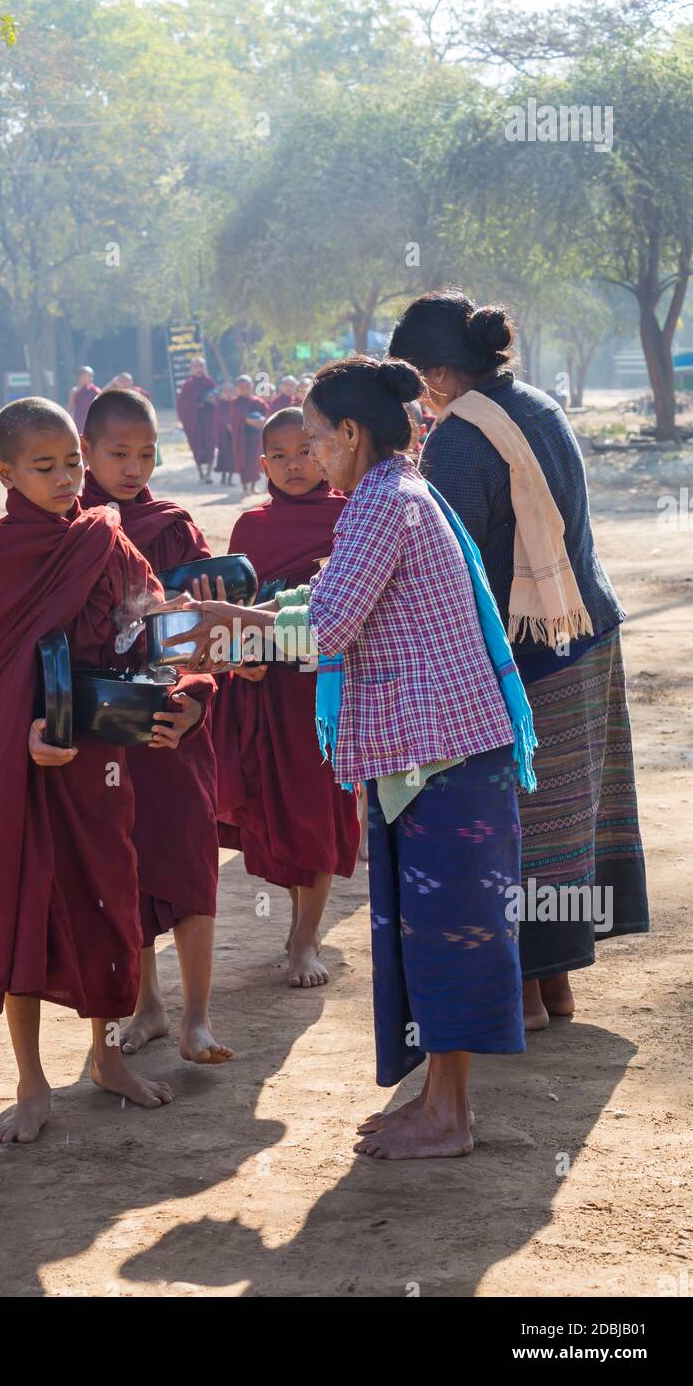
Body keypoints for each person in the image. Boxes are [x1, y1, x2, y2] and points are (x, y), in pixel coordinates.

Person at [157, 356, 536, 1160]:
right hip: (438, 747)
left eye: (320, 436)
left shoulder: (380, 503)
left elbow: (327, 628)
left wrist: (232, 629)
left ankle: (450, 1115)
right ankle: (438, 1102)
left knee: (449, 933)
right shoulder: (391, 492)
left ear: (352, 435)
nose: (314, 451)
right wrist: (240, 616)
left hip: (445, 751)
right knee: (430, 931)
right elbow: (332, 597)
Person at [389, 290, 649, 1031]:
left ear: (437, 373)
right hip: (586, 626)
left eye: (415, 382)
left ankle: (529, 998)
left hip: (526, 649)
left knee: (519, 821)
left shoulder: (462, 441)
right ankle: (558, 988)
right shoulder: (535, 402)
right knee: (570, 813)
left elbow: (450, 565)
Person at [0, 396, 174, 1145]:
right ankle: (31, 1081)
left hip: (97, 762)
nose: (69, 478)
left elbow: (152, 619)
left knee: (106, 900)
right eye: (46, 467)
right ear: (5, 471)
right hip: (22, 775)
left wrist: (189, 688)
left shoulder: (105, 538)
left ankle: (104, 1057)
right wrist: (25, 735)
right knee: (23, 915)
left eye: (74, 461)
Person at [80, 387, 231, 1064]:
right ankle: (149, 1008)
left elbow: (195, 629)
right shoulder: (69, 527)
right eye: (118, 454)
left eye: (146, 454)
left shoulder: (172, 526)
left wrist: (198, 695)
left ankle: (199, 1017)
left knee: (190, 862)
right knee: (124, 869)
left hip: (173, 722)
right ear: (86, 452)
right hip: (104, 728)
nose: (134, 468)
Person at [212, 407, 360, 987]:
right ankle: (296, 926)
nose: (294, 465)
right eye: (280, 456)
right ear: (262, 462)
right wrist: (240, 659)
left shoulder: (349, 516)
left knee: (318, 809)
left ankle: (305, 938)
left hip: (322, 690)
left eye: (305, 451)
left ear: (324, 452)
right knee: (276, 807)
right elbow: (235, 610)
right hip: (264, 690)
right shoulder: (250, 526)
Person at [176, 356, 217, 484]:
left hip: (208, 419)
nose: (199, 369)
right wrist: (195, 404)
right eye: (196, 366)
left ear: (205, 367)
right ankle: (201, 474)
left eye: (201, 366)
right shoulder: (188, 384)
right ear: (191, 369)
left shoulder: (210, 382)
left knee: (210, 446)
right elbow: (182, 403)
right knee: (196, 446)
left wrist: (212, 400)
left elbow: (217, 399)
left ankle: (209, 475)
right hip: (194, 420)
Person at [230, 375, 267, 496]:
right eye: (241, 388)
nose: (244, 390)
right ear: (237, 389)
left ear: (251, 387)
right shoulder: (235, 403)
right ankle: (245, 487)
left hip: (255, 437)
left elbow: (267, 412)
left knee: (254, 461)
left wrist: (262, 421)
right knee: (243, 461)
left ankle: (253, 486)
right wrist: (248, 421)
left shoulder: (257, 401)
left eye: (247, 387)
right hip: (241, 437)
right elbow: (236, 417)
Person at [214, 381, 237, 485]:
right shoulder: (220, 404)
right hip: (223, 435)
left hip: (233, 435)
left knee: (232, 456)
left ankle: (229, 479)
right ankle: (223, 478)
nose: (228, 394)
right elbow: (220, 418)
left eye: (231, 392)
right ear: (222, 393)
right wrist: (228, 425)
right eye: (226, 392)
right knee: (223, 455)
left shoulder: (234, 404)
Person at [67, 366, 100, 435]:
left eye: (89, 375)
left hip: (92, 419)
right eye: (83, 375)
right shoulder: (75, 391)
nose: (86, 377)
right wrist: (67, 419)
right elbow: (71, 406)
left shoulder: (95, 390)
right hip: (79, 419)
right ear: (79, 376)